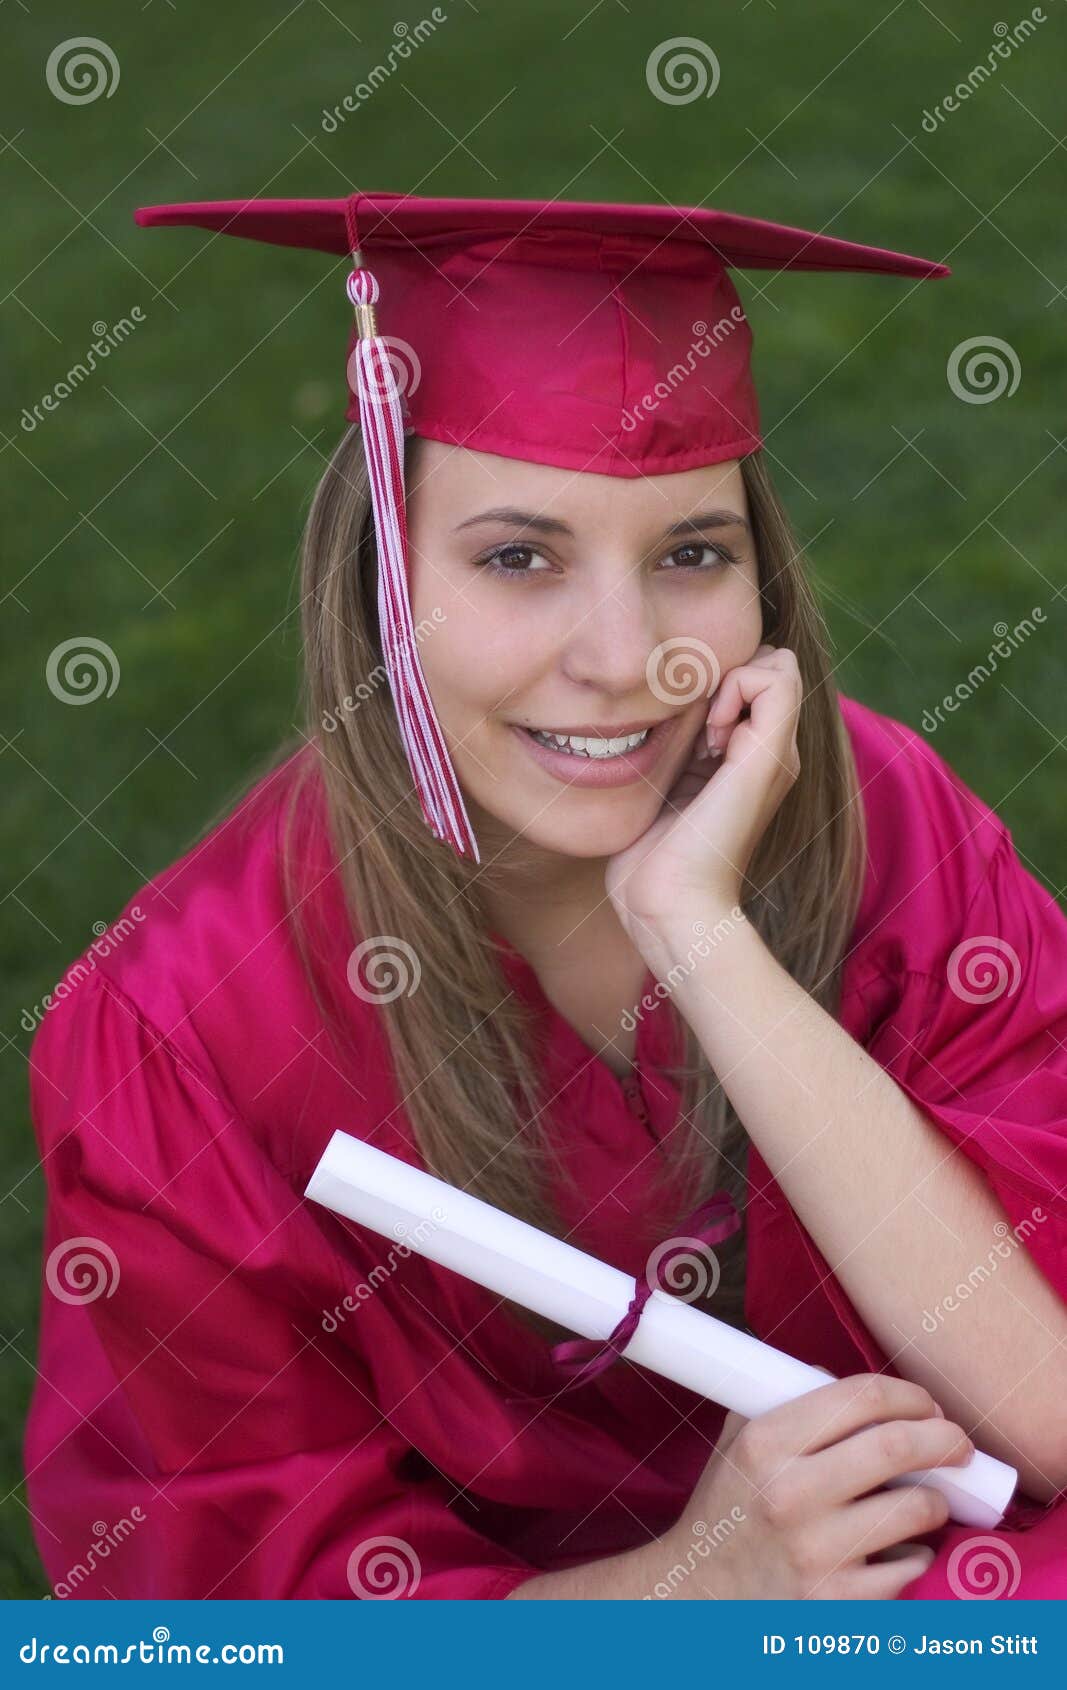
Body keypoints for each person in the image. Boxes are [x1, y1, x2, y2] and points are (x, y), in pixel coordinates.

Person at [24, 192, 1067, 1601]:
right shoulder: (187, 1013)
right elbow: (235, 1620)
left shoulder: (887, 823)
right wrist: (694, 1588)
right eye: (519, 557)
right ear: (382, 572)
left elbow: (1049, 1410)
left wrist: (704, 933)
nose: (628, 657)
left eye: (692, 552)